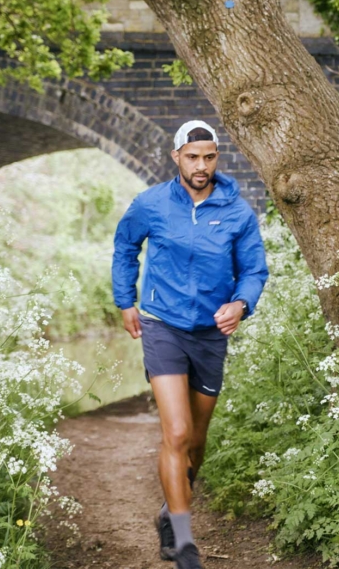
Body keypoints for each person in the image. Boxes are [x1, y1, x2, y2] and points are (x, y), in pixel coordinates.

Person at [112, 120, 268, 569]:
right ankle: (184, 543)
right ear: (176, 156)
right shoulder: (152, 203)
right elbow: (125, 247)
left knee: (197, 441)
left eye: (209, 157)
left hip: (210, 335)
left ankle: (168, 513)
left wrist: (241, 304)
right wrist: (127, 301)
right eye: (193, 157)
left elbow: (254, 271)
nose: (202, 166)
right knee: (176, 432)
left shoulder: (236, 211)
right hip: (162, 324)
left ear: (217, 158)